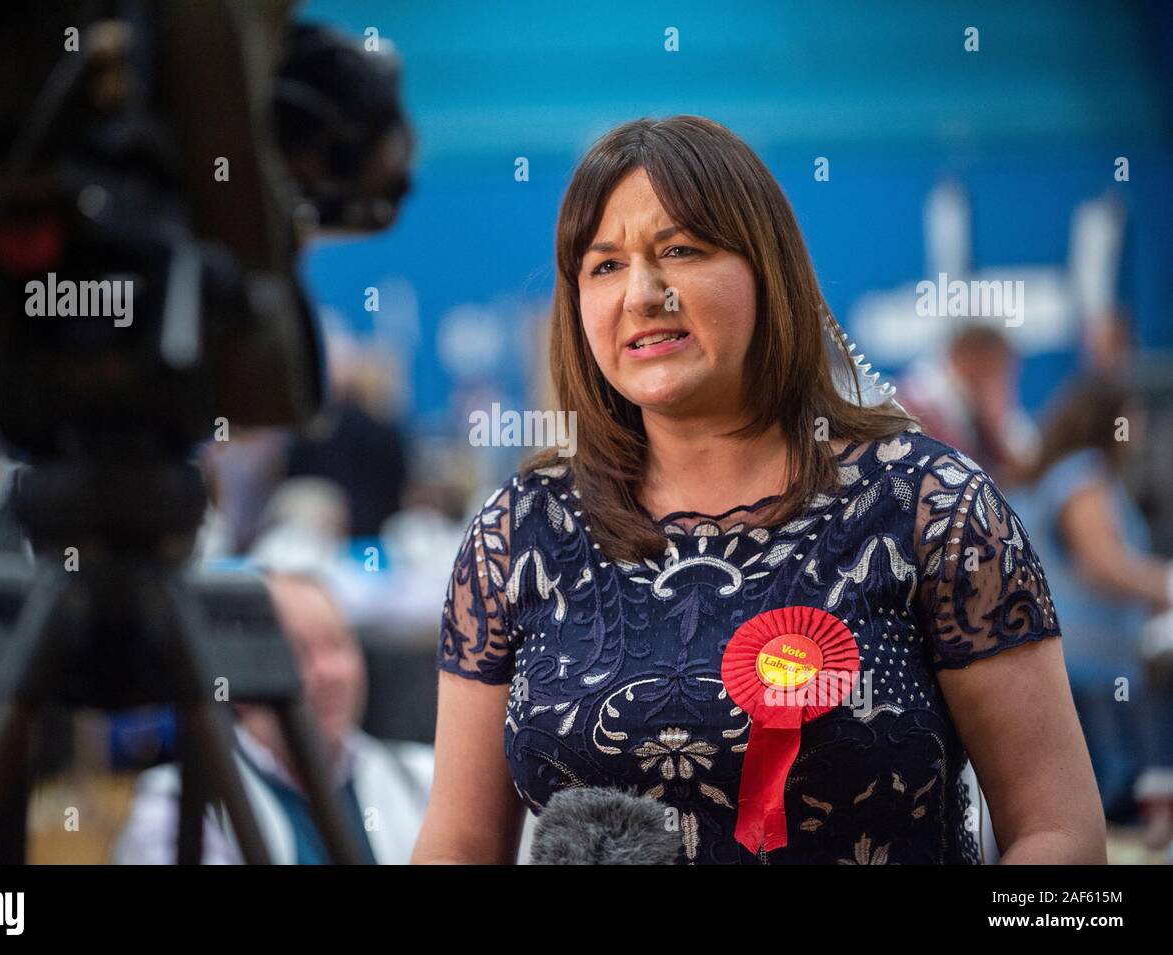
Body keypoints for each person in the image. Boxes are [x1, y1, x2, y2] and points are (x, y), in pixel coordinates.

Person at [413, 116, 1102, 865]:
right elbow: (459, 842)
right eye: (604, 265)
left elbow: (1060, 836)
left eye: (680, 250)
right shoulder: (519, 531)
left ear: (765, 270)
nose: (643, 294)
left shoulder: (929, 507)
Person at [115, 571, 434, 864]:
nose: (328, 672)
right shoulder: (179, 805)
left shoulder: (422, 778)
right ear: (240, 677)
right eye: (297, 652)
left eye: (337, 644)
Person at [1018, 376, 1173, 849]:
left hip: (1095, 669)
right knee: (1114, 808)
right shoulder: (1083, 474)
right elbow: (1102, 562)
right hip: (1091, 673)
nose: (1140, 429)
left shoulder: (1069, 473)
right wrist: (1165, 583)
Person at [896, 325, 1037, 488]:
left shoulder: (986, 400)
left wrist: (997, 418)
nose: (1002, 381)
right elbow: (952, 477)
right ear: (969, 360)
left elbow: (1029, 464)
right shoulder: (923, 401)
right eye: (997, 370)